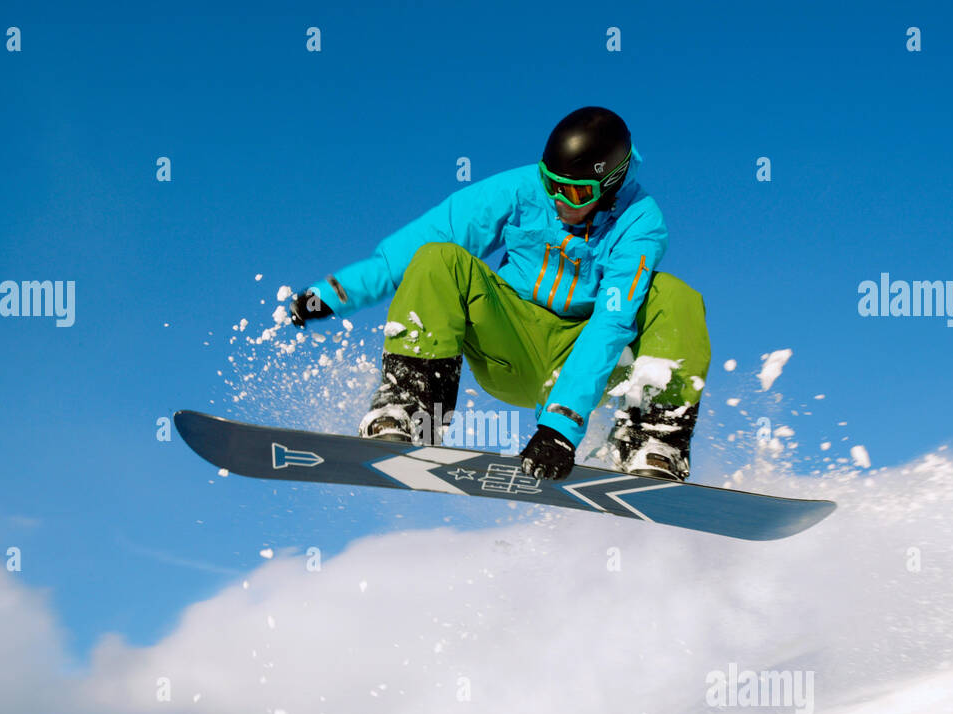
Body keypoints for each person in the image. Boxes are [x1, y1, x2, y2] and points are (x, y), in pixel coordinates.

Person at [290, 106, 710, 481]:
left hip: (581, 357)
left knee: (673, 296)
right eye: (552, 183)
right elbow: (426, 239)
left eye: (577, 192)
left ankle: (654, 437)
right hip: (507, 345)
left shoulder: (641, 222)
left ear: (611, 184)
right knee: (439, 257)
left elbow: (612, 321)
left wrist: (560, 428)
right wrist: (335, 292)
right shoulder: (520, 190)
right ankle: (410, 407)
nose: (560, 200)